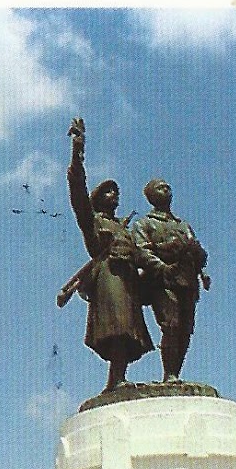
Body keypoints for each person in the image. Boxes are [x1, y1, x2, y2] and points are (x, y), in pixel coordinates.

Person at [60, 117, 169, 393]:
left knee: (130, 328)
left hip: (129, 278)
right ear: (98, 198)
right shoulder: (93, 221)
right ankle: (116, 380)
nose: (114, 195)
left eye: (116, 191)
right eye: (108, 191)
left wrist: (160, 268)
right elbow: (77, 193)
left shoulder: (125, 228)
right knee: (119, 327)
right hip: (109, 277)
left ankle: (116, 380)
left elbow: (140, 252)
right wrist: (78, 152)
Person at [132, 178, 210, 381]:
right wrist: (162, 266)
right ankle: (170, 374)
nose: (166, 189)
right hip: (162, 281)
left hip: (188, 281)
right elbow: (141, 252)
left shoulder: (183, 225)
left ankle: (176, 372)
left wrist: (199, 259)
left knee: (185, 329)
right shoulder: (144, 223)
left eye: (168, 187)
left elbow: (199, 254)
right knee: (171, 325)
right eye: (160, 187)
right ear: (150, 196)